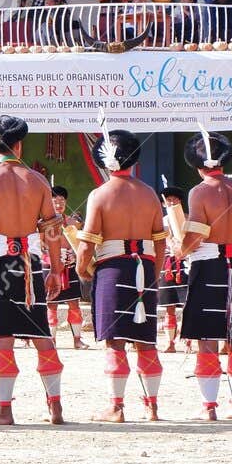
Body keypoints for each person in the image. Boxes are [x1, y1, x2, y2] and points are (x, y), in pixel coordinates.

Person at [0, 114, 67, 426]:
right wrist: (56, 269)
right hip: (32, 264)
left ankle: (5, 410)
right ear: (18, 145)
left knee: (3, 335)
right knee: (41, 333)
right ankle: (55, 405)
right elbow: (52, 229)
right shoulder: (38, 180)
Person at [76, 130, 167, 422]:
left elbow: (87, 240)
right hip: (146, 267)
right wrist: (155, 272)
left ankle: (116, 407)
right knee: (146, 340)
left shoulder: (99, 195)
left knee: (115, 340)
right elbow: (160, 241)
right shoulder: (150, 193)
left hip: (113, 269)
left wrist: (82, 269)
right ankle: (151, 405)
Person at [175, 130, 232, 420]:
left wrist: (180, 251)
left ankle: (209, 407)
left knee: (206, 337)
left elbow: (197, 236)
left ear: (198, 165)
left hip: (208, 266)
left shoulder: (198, 192)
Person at [49, 184, 88, 349]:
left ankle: (77, 340)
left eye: (62, 200)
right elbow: (37, 246)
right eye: (55, 200)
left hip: (70, 266)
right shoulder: (41, 223)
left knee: (74, 304)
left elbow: (80, 245)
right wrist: (53, 257)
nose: (59, 203)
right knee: (51, 304)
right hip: (50, 266)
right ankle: (51, 341)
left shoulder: (72, 223)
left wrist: (74, 255)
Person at [155, 183, 188, 351]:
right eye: (169, 200)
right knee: (169, 307)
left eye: (175, 199)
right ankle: (170, 343)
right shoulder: (160, 223)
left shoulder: (188, 219)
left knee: (188, 304)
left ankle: (189, 341)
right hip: (167, 265)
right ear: (163, 203)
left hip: (186, 264)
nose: (172, 202)